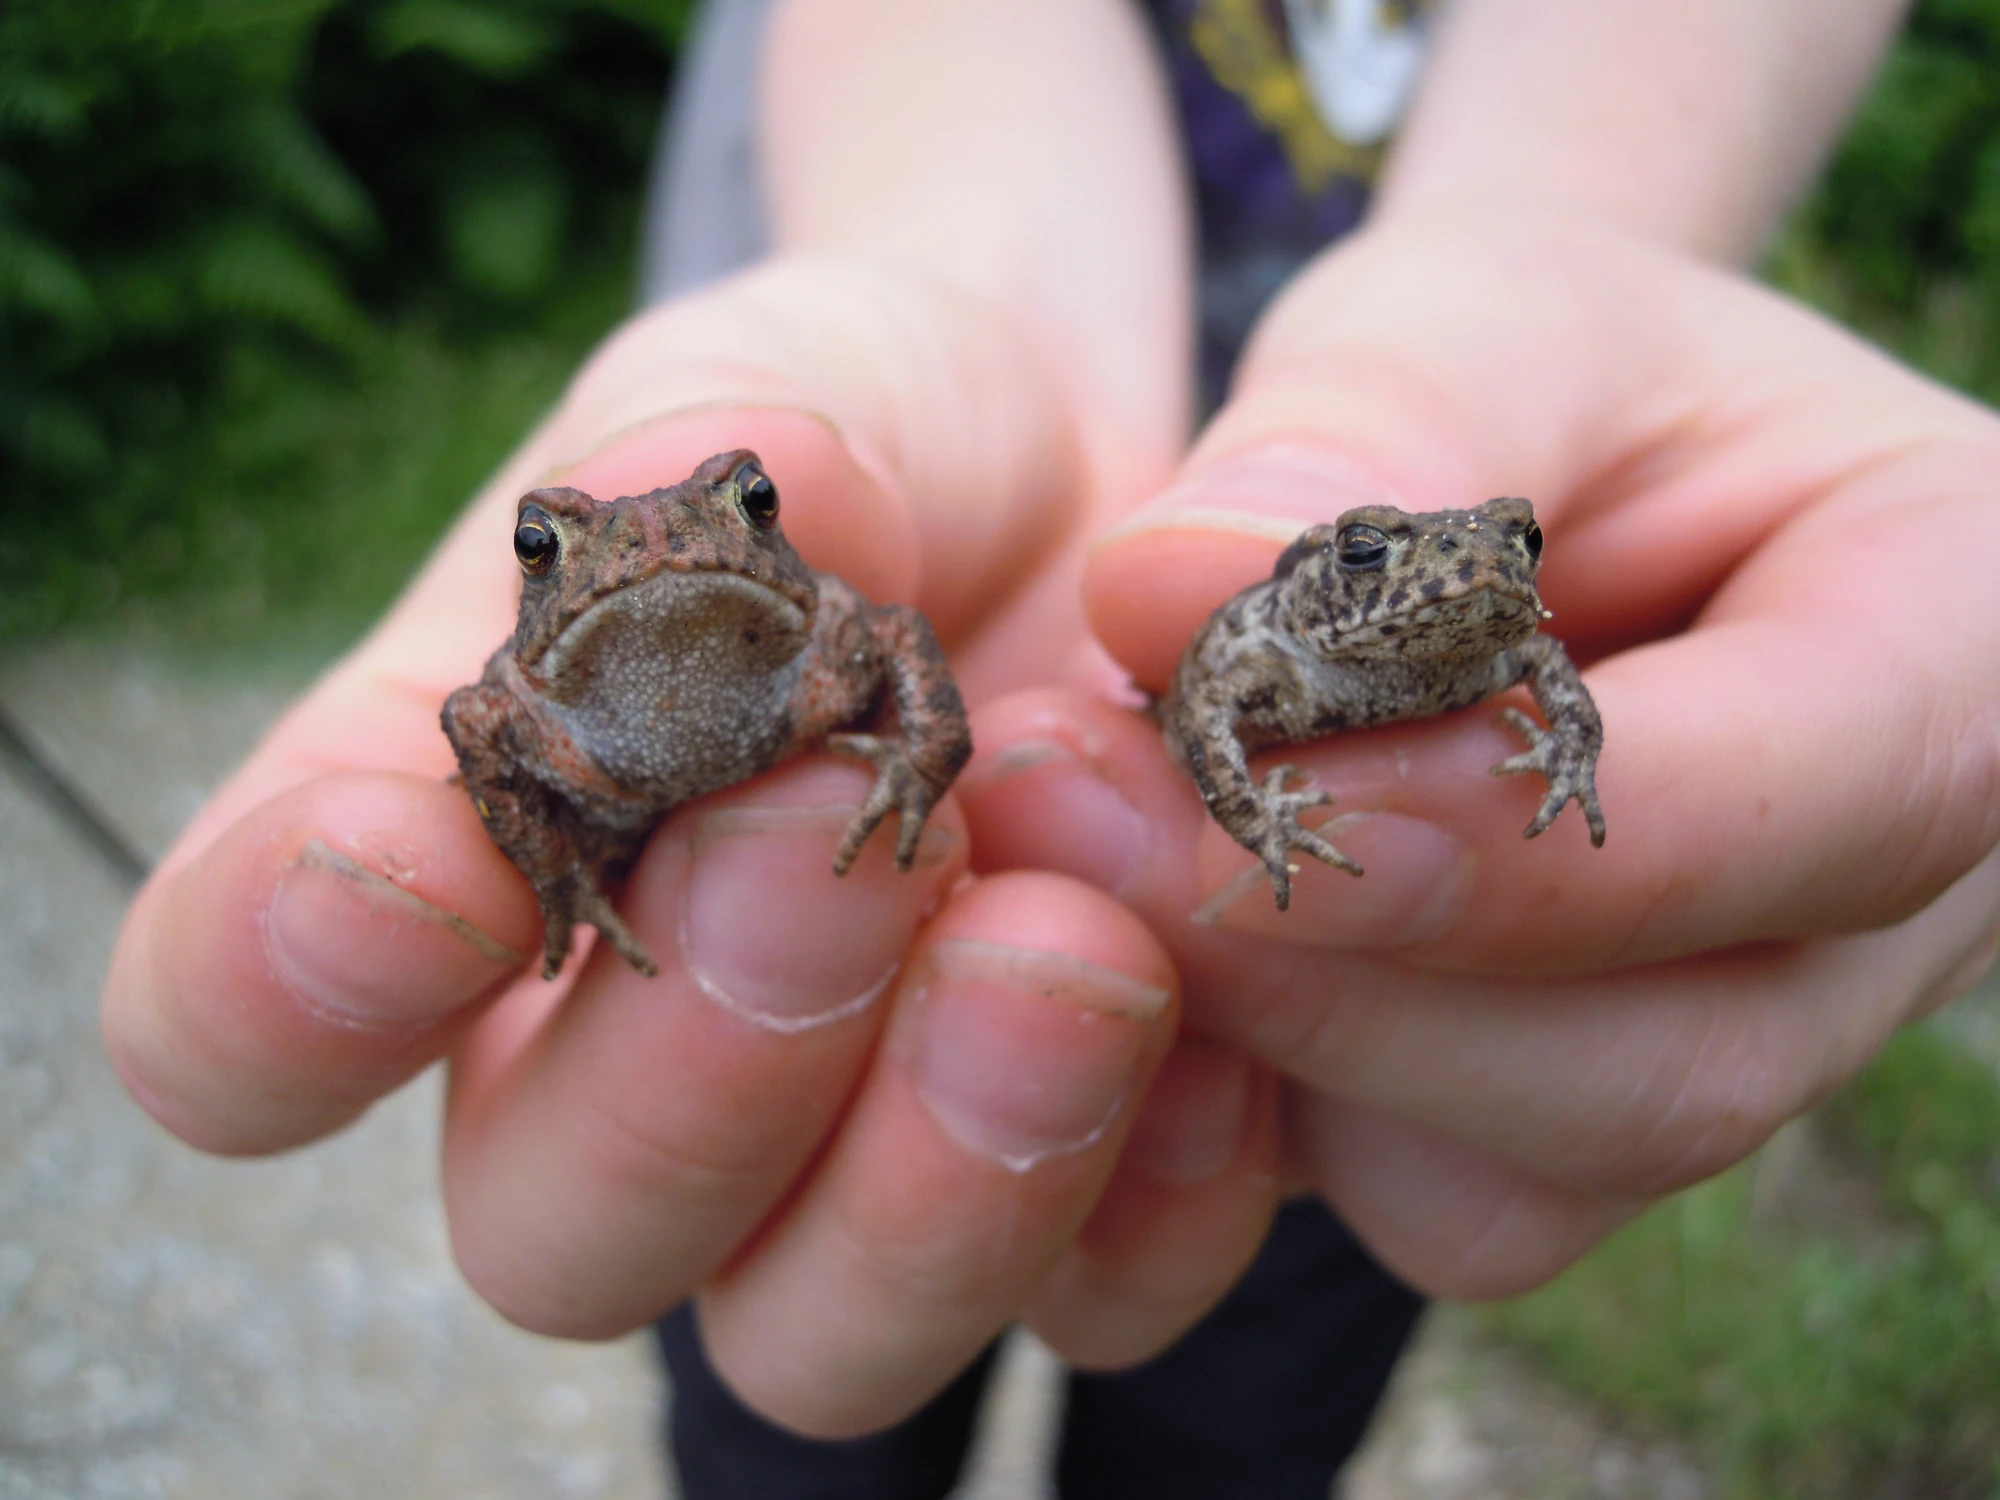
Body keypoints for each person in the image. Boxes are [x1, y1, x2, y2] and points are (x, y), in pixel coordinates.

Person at [100, 1, 2000, 1496]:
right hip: (820, 989)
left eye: (744, 501)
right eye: (569, 540)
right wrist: (564, 862)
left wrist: (920, 766)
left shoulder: (820, 630)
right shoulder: (538, 688)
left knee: (1239, 1397)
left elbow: (904, 652)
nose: (672, 542)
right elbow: (473, 719)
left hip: (1351, 1018)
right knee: (797, 1413)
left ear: (770, 525)